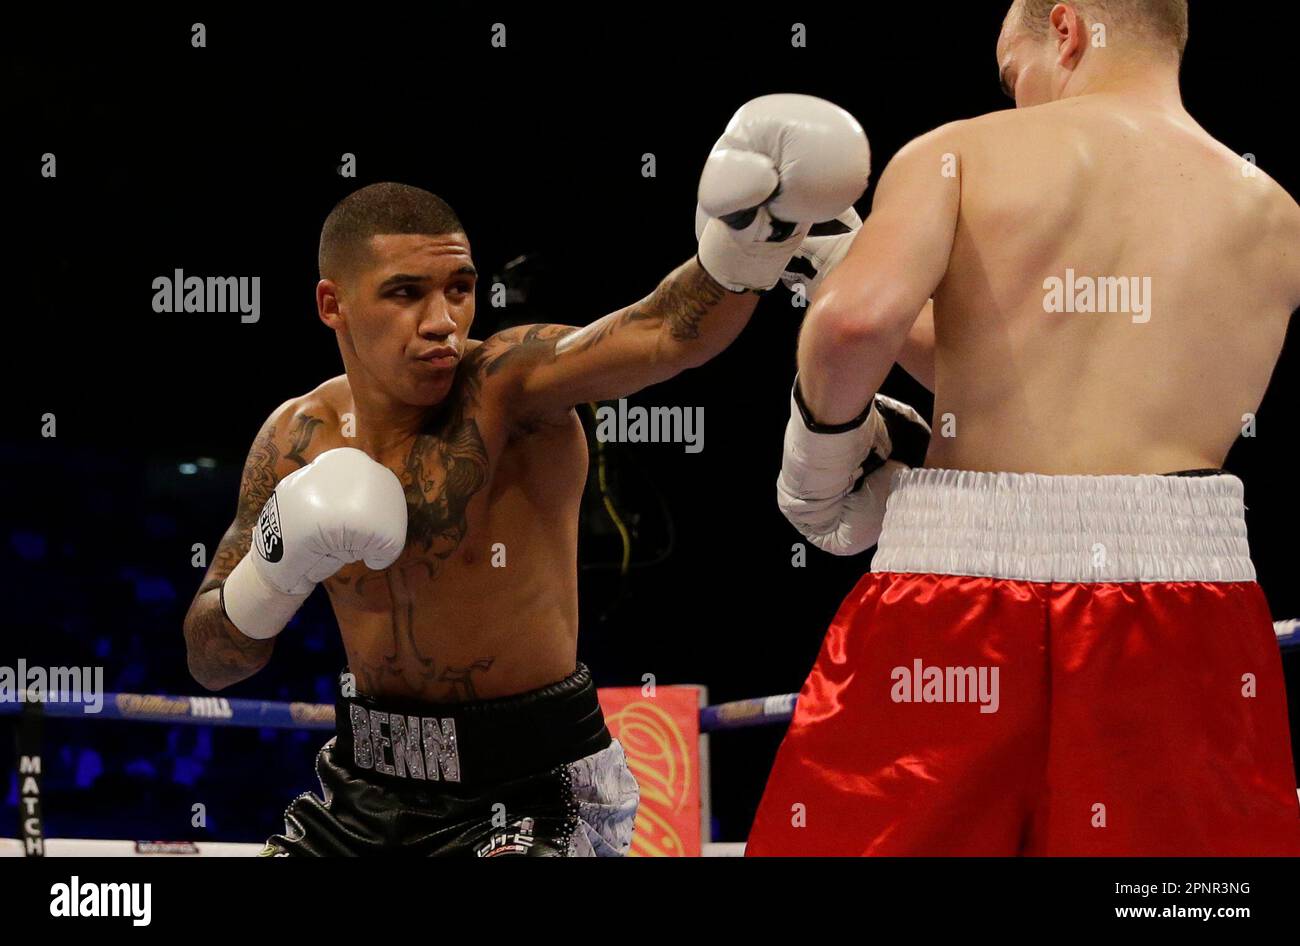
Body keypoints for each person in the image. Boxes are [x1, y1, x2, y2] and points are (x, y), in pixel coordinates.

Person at [181, 96, 871, 856]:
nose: (444, 319)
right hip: (365, 786)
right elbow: (211, 660)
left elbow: (655, 333)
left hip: (536, 788)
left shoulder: (507, 388)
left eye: (460, 288)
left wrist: (743, 252)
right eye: (406, 293)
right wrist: (271, 576)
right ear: (331, 304)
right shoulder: (293, 439)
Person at [749, 0, 1300, 855]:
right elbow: (1065, 373)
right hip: (1192, 608)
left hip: (959, 594)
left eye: (1015, 77)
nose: (1015, 104)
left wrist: (815, 466)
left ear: (1067, 29)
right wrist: (834, 271)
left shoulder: (960, 153)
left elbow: (855, 327)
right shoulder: (1275, 213)